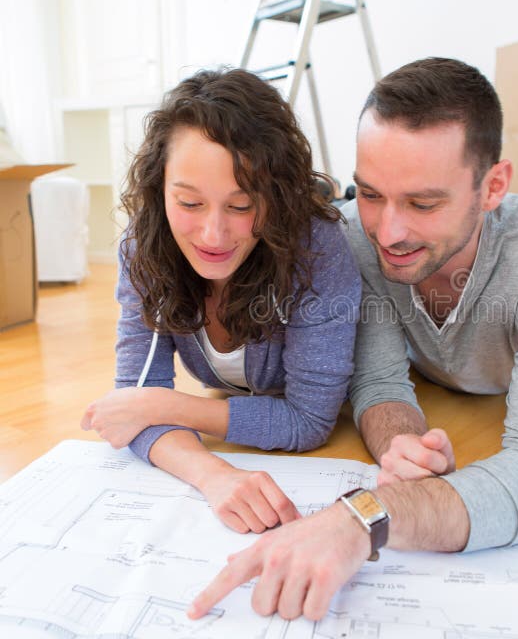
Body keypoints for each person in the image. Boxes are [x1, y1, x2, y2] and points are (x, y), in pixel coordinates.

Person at [188, 57, 518, 621]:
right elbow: (381, 379)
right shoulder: (353, 237)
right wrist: (402, 451)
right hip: (431, 381)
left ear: (493, 186)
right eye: (370, 194)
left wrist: (363, 517)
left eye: (423, 203)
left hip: (511, 376)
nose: (388, 232)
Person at [80, 68, 361, 535]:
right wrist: (214, 475)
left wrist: (164, 406)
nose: (213, 235)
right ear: (159, 190)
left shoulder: (320, 247)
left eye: (240, 206)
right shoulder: (143, 247)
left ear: (276, 198)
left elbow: (307, 420)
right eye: (189, 204)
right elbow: (133, 407)